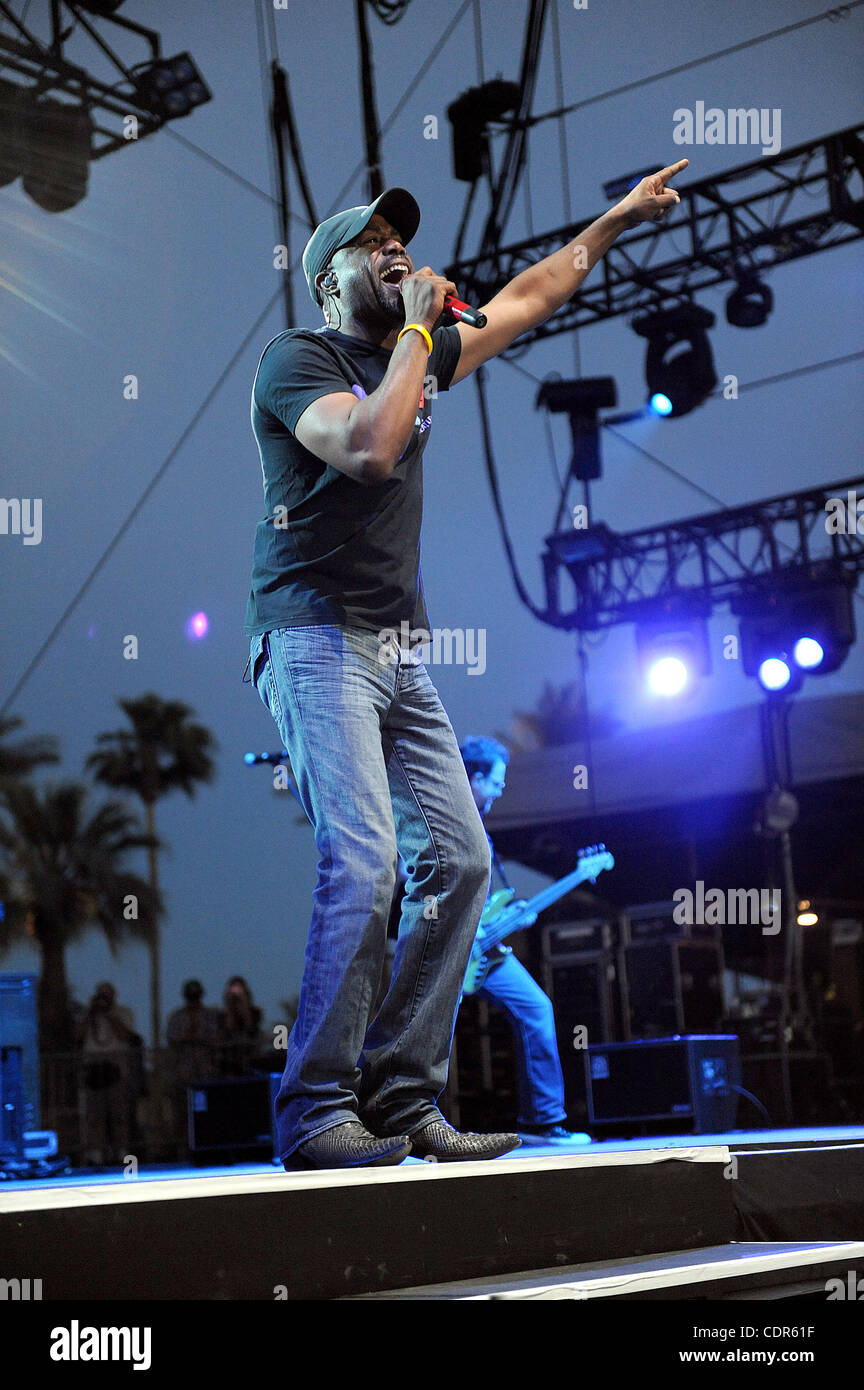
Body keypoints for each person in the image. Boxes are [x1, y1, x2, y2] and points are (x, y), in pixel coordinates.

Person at [243, 164, 687, 1170]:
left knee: (468, 861)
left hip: (400, 648)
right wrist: (412, 332)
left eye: (400, 239)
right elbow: (368, 447)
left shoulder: (425, 350)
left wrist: (611, 220)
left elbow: (533, 294)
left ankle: (400, 1100)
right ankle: (316, 1109)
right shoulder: (298, 358)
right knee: (365, 862)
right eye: (371, 244)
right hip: (313, 636)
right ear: (328, 280)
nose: (396, 248)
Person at [460, 736, 589, 1145]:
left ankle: (543, 1121)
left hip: (488, 950)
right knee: (426, 1035)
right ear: (475, 778)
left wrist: (511, 914)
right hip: (448, 947)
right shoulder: (445, 812)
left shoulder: (482, 825)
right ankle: (398, 1125)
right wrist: (464, 926)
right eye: (496, 781)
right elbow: (415, 877)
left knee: (536, 1008)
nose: (500, 789)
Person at [78, 982, 141, 1167]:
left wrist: (110, 1014)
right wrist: (91, 1013)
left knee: (118, 1113)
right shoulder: (89, 1016)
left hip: (115, 1069)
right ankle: (96, 1152)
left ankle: (121, 1152)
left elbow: (126, 1036)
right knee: (94, 1113)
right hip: (93, 1069)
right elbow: (78, 1036)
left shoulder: (123, 1012)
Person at [166, 980, 223, 1148]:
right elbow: (172, 1038)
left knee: (207, 1112)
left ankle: (210, 1146)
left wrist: (196, 1038)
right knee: (182, 1113)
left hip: (206, 1072)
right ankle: (183, 1149)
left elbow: (215, 1037)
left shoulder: (210, 1015)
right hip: (184, 1073)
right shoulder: (177, 1017)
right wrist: (192, 1037)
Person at [220, 975, 263, 1075]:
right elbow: (228, 1030)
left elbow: (251, 1028)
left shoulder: (255, 1012)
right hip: (229, 1062)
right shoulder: (222, 1015)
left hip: (250, 1058)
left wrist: (244, 1004)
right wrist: (230, 1006)